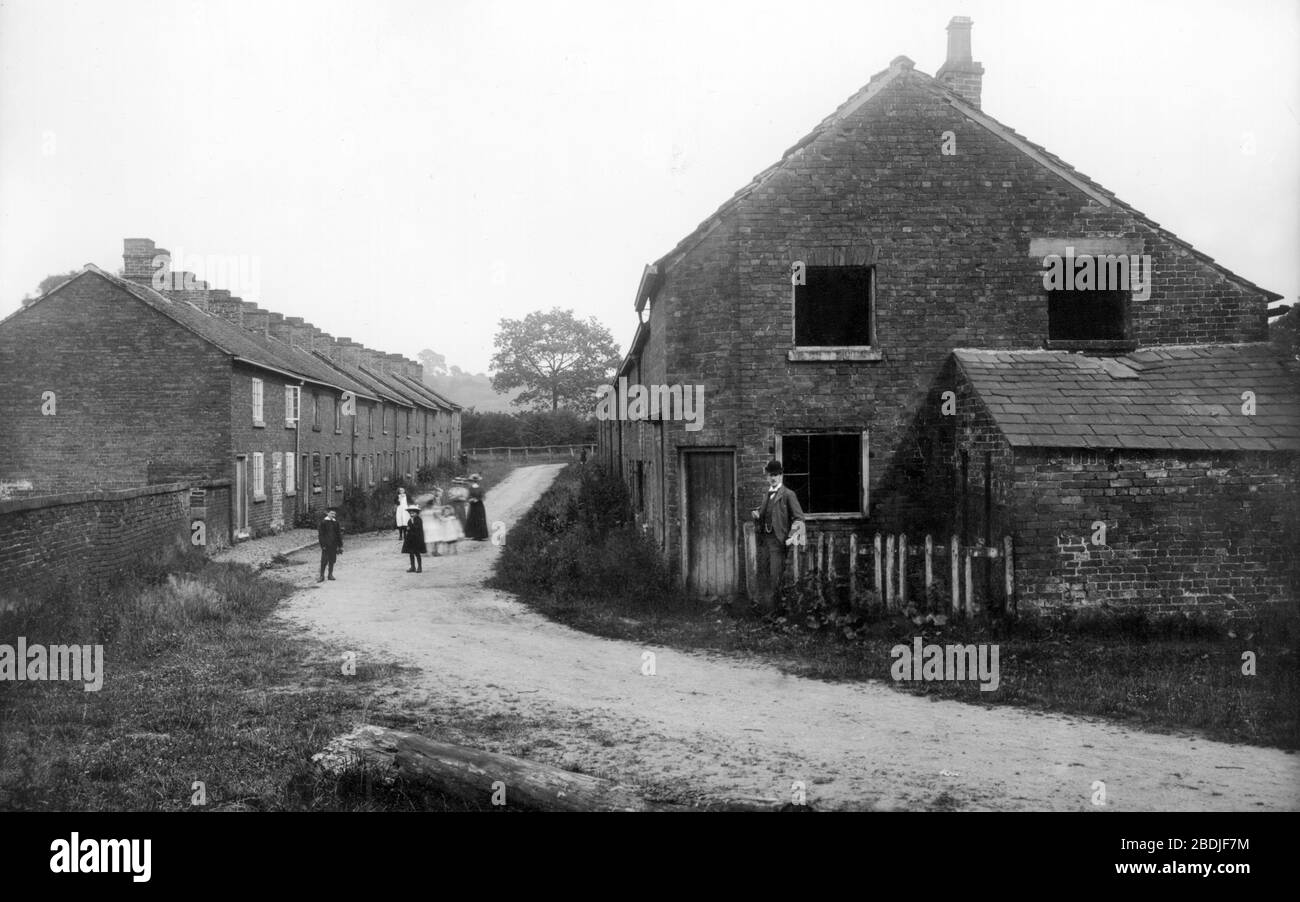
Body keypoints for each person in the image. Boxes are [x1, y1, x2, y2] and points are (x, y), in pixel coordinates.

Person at [750, 459, 805, 614]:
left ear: (781, 476)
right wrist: (757, 514)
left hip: (778, 542)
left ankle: (778, 613)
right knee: (764, 574)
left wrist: (791, 536)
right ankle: (767, 609)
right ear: (767, 477)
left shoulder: (788, 494)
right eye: (770, 475)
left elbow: (799, 518)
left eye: (776, 475)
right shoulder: (767, 494)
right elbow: (767, 513)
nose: (773, 478)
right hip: (765, 542)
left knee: (776, 576)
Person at [318, 507, 343, 582]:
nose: (333, 515)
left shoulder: (336, 523)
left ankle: (330, 574)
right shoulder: (323, 522)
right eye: (331, 513)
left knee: (332, 559)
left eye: (334, 514)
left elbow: (338, 534)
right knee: (324, 560)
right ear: (327, 513)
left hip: (334, 544)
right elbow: (321, 535)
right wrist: (323, 545)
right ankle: (321, 576)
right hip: (326, 544)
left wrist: (340, 545)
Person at [464, 473, 490, 541]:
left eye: (472, 481)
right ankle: (479, 535)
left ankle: (475, 535)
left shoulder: (471, 488)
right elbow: (483, 497)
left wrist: (473, 499)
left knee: (473, 518)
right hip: (477, 505)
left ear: (472, 481)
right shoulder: (480, 488)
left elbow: (469, 496)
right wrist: (475, 499)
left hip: (476, 504)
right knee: (478, 518)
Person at [402, 505, 425, 572]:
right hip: (410, 539)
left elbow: (418, 528)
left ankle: (419, 567)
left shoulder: (419, 520)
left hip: (417, 539)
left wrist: (412, 525)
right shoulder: (409, 520)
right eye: (410, 513)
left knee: (417, 553)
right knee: (411, 553)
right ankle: (413, 567)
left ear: (417, 513)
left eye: (413, 513)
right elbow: (408, 529)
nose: (411, 514)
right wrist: (407, 529)